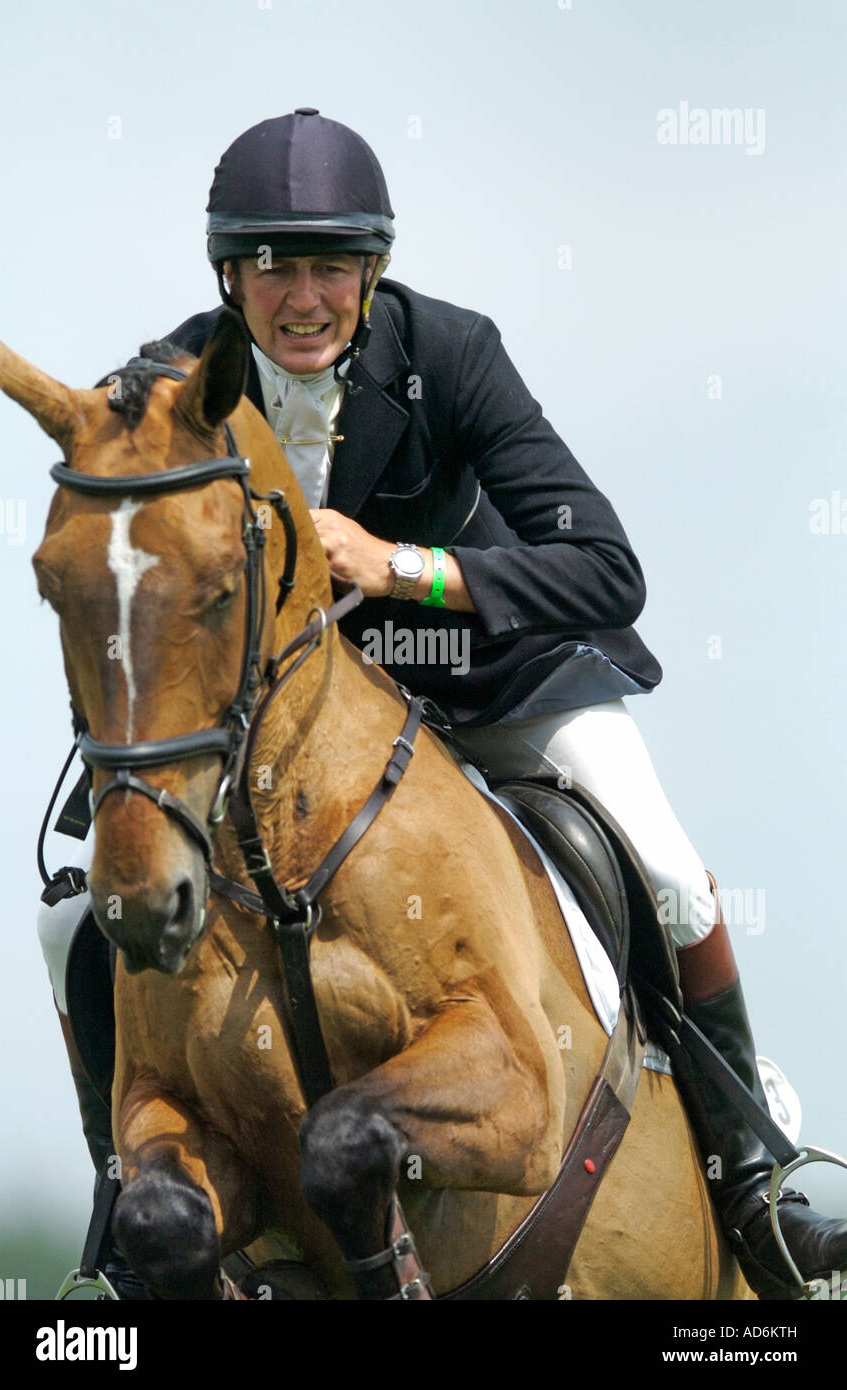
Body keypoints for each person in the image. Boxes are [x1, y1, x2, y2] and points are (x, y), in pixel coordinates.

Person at [41, 108, 846, 1301]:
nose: (300, 297)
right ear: (229, 274)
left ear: (371, 273)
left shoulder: (452, 355)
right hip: (292, 738)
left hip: (487, 682)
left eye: (329, 266)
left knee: (668, 868)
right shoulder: (182, 384)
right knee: (74, 922)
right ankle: (131, 1211)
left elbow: (609, 567)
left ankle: (753, 1174)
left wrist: (400, 567)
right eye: (272, 265)